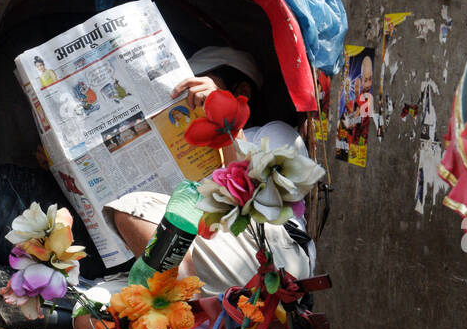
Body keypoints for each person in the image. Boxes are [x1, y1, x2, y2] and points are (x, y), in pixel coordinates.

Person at [104, 47, 316, 291]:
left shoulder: (274, 133)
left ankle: (183, 309)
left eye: (199, 90)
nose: (192, 100)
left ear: (241, 91)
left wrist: (223, 111)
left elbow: (265, 200)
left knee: (132, 209)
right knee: (90, 310)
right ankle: (182, 305)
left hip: (271, 255)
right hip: (200, 257)